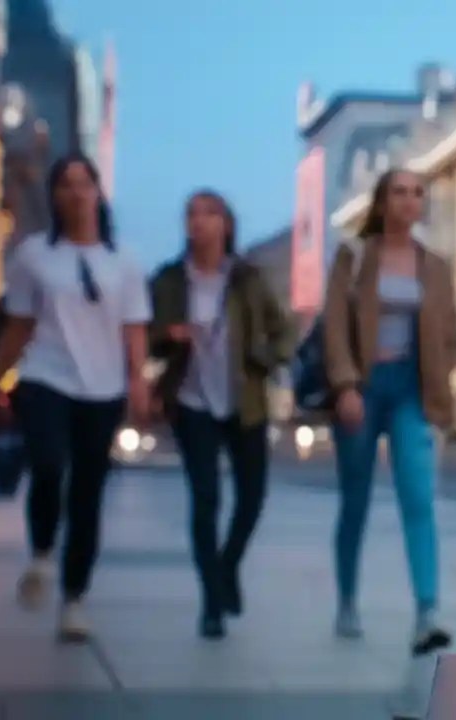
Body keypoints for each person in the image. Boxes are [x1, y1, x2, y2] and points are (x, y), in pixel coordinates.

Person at [0, 154, 152, 642]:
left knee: (88, 492)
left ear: (97, 192)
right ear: (55, 196)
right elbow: (19, 323)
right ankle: (42, 551)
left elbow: (134, 328)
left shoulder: (124, 261)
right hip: (45, 377)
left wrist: (139, 381)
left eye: (84, 183)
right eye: (65, 184)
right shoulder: (34, 256)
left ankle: (74, 598)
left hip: (103, 386)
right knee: (48, 466)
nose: (76, 192)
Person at [322, 168, 456, 655]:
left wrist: (442, 389)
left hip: (411, 391)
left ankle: (427, 612)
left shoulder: (435, 265)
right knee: (354, 500)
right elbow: (334, 324)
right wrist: (345, 384)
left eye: (418, 193)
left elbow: (448, 332)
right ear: (381, 202)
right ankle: (347, 601)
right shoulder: (354, 256)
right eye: (399, 192)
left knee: (418, 498)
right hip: (362, 386)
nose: (409, 200)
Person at [148, 189, 294, 639]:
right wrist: (167, 334)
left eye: (209, 213)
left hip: (244, 400)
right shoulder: (170, 279)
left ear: (226, 225)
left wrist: (264, 359)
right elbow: (147, 333)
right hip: (192, 402)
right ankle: (211, 602)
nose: (199, 222)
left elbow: (283, 329)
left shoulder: (248, 277)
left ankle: (227, 565)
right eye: (191, 213)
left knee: (252, 498)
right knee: (206, 500)